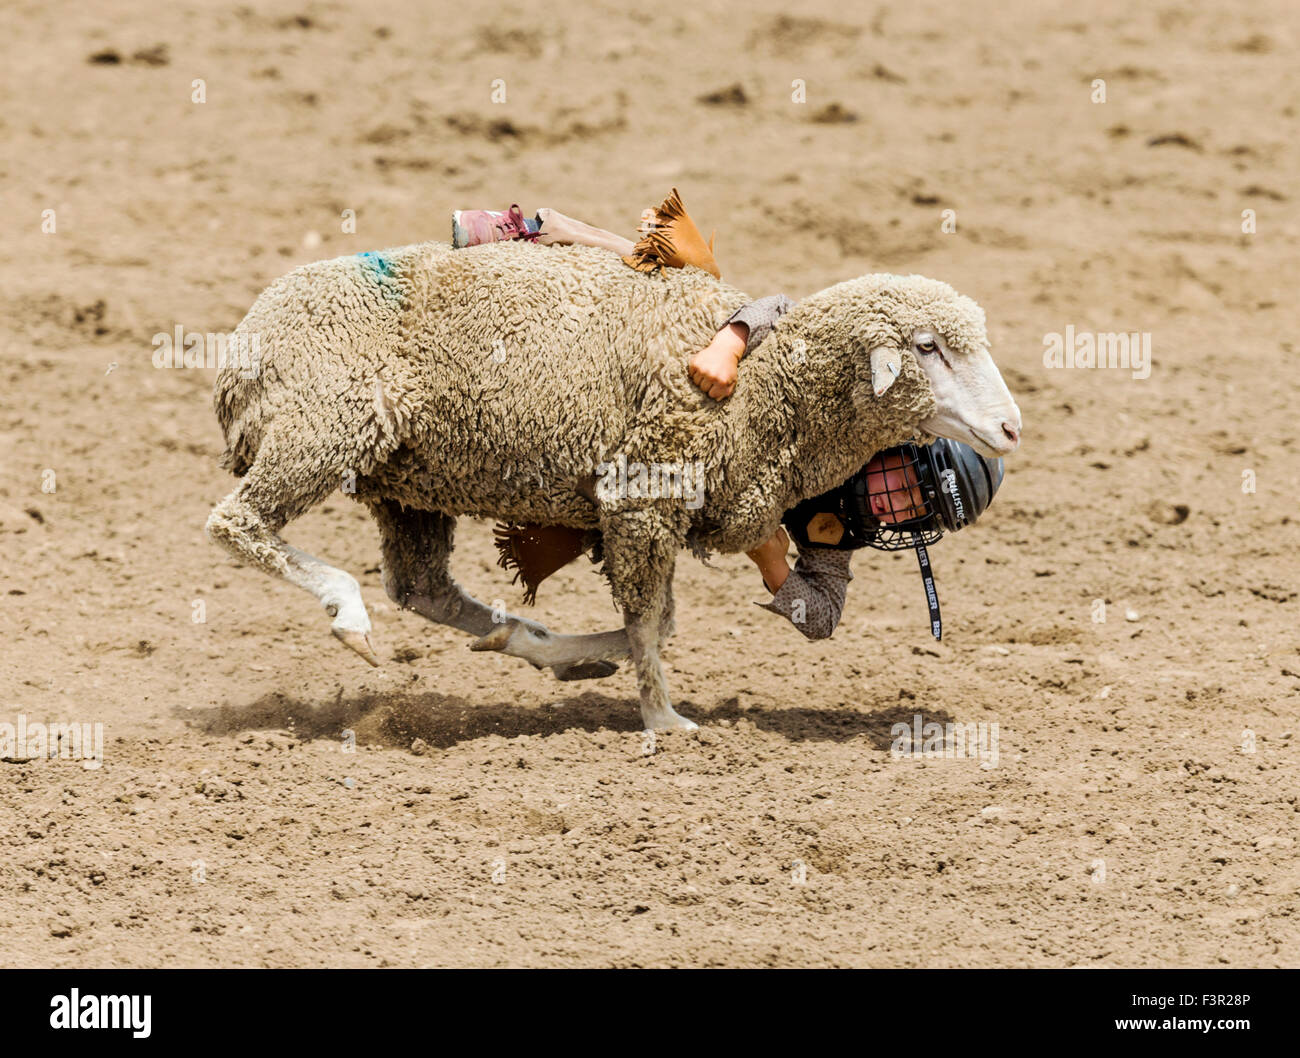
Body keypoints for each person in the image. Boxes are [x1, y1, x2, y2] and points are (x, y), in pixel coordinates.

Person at [452, 194, 1004, 640]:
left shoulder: (842, 532)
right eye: (910, 488)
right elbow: (788, 316)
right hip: (732, 390)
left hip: (704, 470)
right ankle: (546, 232)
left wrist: (768, 553)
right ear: (902, 453)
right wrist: (730, 344)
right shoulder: (860, 419)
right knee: (691, 295)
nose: (896, 507)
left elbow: (821, 621)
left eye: (916, 514)